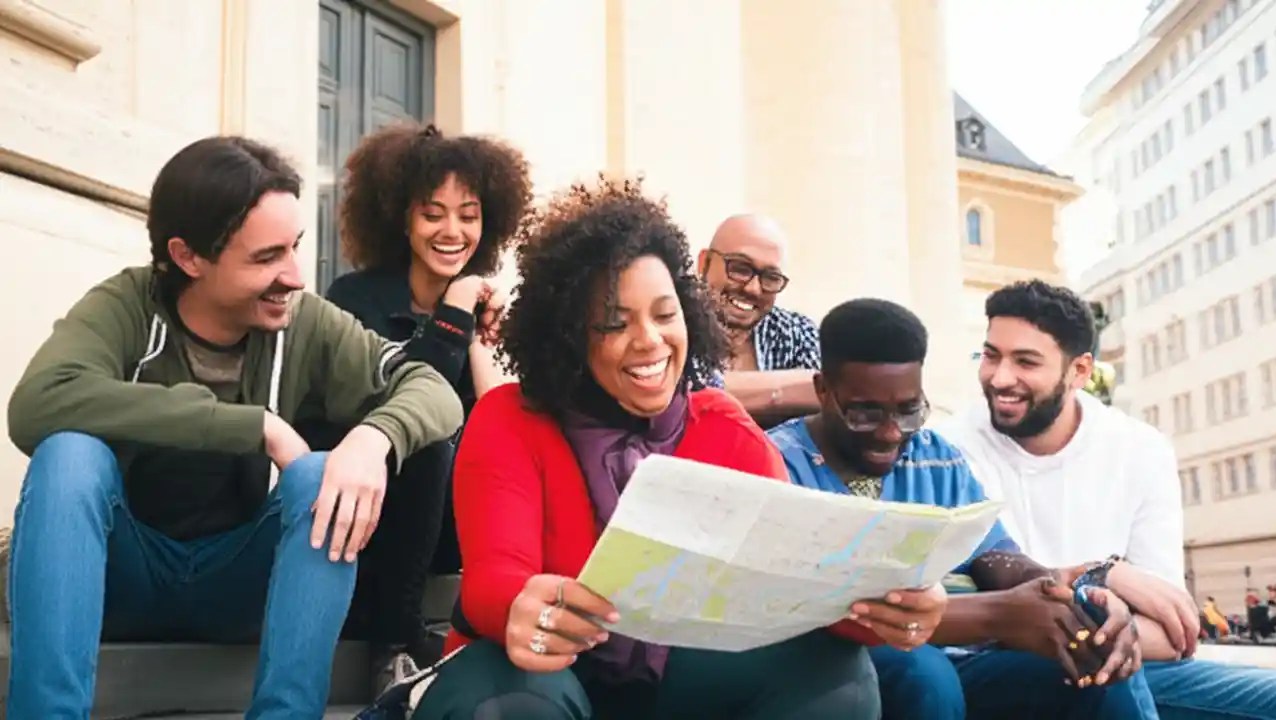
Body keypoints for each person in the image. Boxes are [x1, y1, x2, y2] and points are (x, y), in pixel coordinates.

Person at [411, 179, 918, 720]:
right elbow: (493, 578)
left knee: (838, 672)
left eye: (664, 313)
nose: (650, 339)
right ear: (569, 335)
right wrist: (521, 604)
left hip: (675, 682)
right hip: (537, 674)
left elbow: (791, 585)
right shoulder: (511, 418)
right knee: (513, 696)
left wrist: (887, 604)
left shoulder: (725, 426)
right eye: (614, 322)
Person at [4, 136, 464, 719]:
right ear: (189, 256)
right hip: (118, 574)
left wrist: (373, 440)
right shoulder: (126, 306)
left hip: (236, 584)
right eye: (267, 257)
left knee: (319, 475)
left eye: (295, 248)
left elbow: (432, 390)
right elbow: (39, 402)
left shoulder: (304, 322)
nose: (296, 276)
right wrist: (254, 427)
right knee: (69, 455)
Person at [768, 298, 1155, 719]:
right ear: (823, 390)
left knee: (1092, 644)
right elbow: (832, 610)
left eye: (909, 410)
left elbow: (992, 554)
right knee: (923, 674)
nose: (891, 433)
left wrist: (1061, 596)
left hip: (964, 661)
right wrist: (999, 615)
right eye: (866, 413)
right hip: (842, 669)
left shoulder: (936, 456)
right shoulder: (779, 465)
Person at [938, 279, 1276, 720]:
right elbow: (980, 616)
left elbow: (1174, 631)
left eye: (1025, 361)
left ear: (1079, 371)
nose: (1001, 377)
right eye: (990, 355)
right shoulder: (947, 451)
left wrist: (1107, 611)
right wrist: (1105, 582)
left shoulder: (1139, 448)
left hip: (1131, 663)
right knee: (1102, 675)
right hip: (996, 666)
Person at [304, 123, 532, 676]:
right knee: (429, 440)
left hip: (453, 527)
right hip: (369, 508)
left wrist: (481, 332)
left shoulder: (491, 307)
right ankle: (396, 638)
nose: (452, 230)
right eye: (433, 213)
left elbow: (505, 429)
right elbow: (412, 403)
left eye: (468, 214)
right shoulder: (354, 298)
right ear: (402, 220)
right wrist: (453, 315)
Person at [696, 214, 820, 426]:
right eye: (739, 268)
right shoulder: (670, 324)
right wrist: (788, 391)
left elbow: (833, 397)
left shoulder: (793, 333)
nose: (753, 288)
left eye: (771, 277)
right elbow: (679, 395)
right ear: (703, 263)